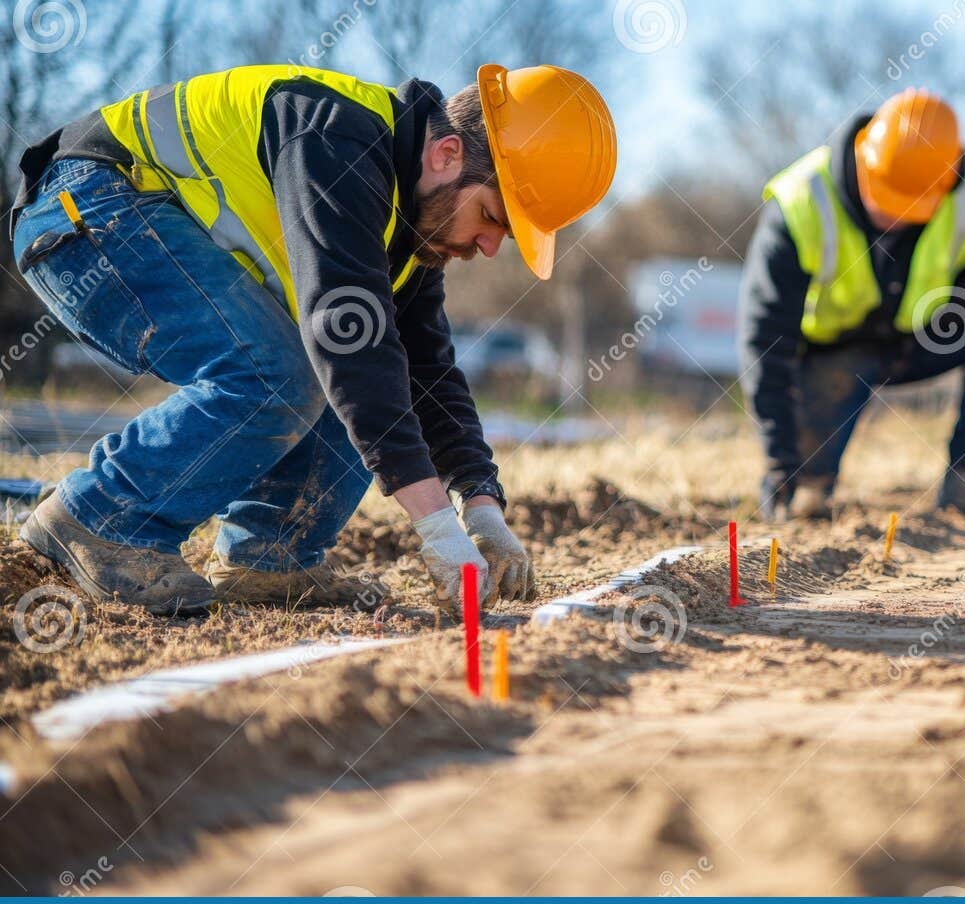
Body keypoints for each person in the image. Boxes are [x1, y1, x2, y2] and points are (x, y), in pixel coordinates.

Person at [8, 63, 616, 614]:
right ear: (447, 154)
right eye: (492, 217)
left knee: (367, 371)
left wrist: (481, 504)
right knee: (285, 371)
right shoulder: (336, 141)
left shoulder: (410, 226)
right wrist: (436, 527)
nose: (488, 247)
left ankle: (272, 557)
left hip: (122, 216)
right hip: (88, 208)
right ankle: (101, 519)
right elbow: (345, 342)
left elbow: (422, 371)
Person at [739, 88, 965, 520]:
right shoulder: (802, 201)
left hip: (921, 342)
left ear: (946, 180)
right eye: (886, 196)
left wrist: (932, 331)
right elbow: (765, 338)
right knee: (802, 495)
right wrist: (780, 459)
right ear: (863, 159)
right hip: (835, 353)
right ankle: (803, 481)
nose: (893, 217)